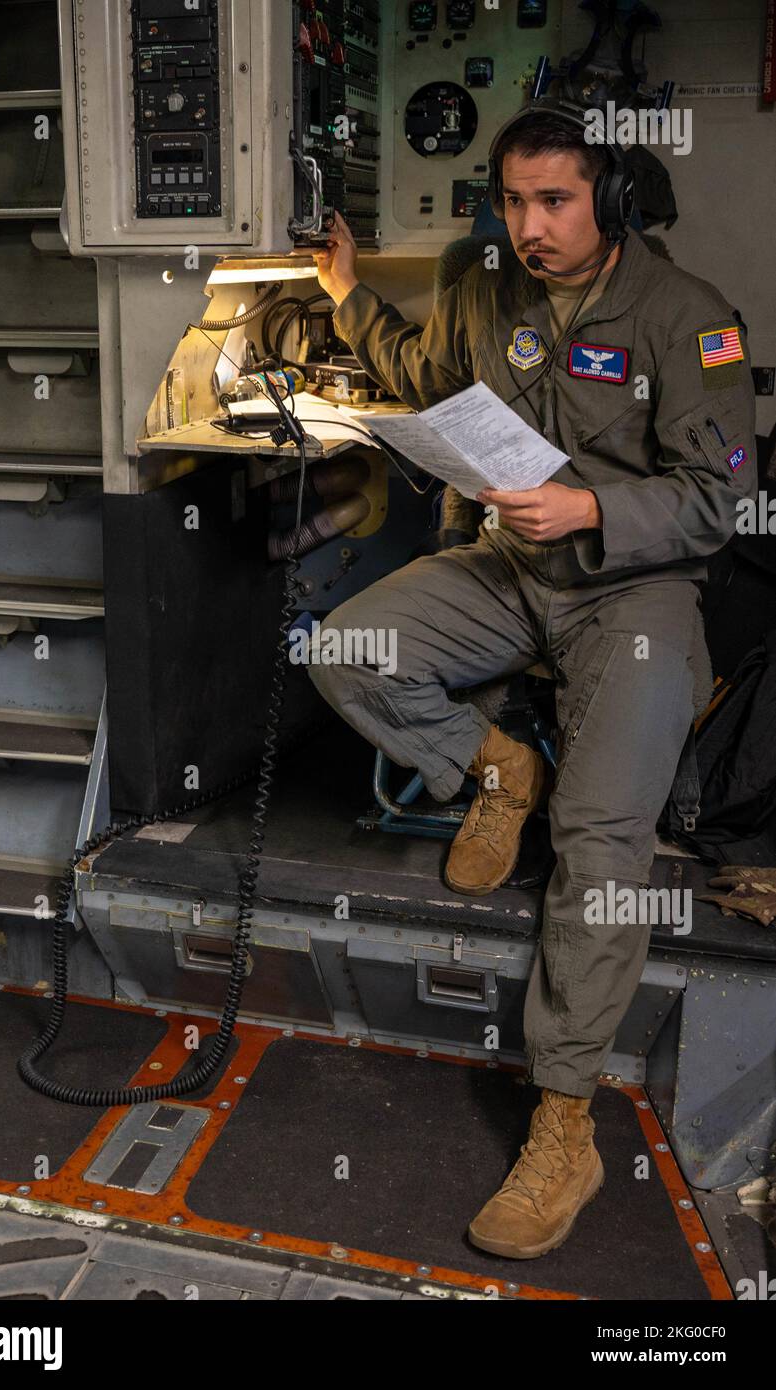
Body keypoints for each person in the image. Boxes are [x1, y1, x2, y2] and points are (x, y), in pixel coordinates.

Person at [306, 100, 758, 1260]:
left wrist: (597, 505)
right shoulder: (489, 292)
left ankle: (565, 1121)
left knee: (604, 846)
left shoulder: (688, 320)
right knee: (343, 646)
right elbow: (415, 362)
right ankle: (497, 769)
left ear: (607, 200)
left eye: (553, 201)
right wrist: (345, 288)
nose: (527, 225)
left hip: (633, 591)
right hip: (511, 570)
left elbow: (722, 498)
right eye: (511, 201)